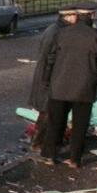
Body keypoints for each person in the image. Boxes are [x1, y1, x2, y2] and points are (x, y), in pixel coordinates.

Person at [41, 5, 97, 168]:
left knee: (55, 121)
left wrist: (46, 80)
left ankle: (50, 154)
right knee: (80, 124)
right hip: (85, 87)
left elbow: (50, 59)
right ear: (92, 15)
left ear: (77, 15)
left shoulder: (62, 33)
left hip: (59, 85)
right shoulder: (96, 36)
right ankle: (75, 158)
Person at [28, 14, 67, 150]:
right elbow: (49, 57)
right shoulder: (57, 32)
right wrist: (47, 78)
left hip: (48, 76)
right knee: (47, 111)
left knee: (47, 111)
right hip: (49, 77)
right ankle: (39, 142)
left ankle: (40, 141)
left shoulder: (55, 29)